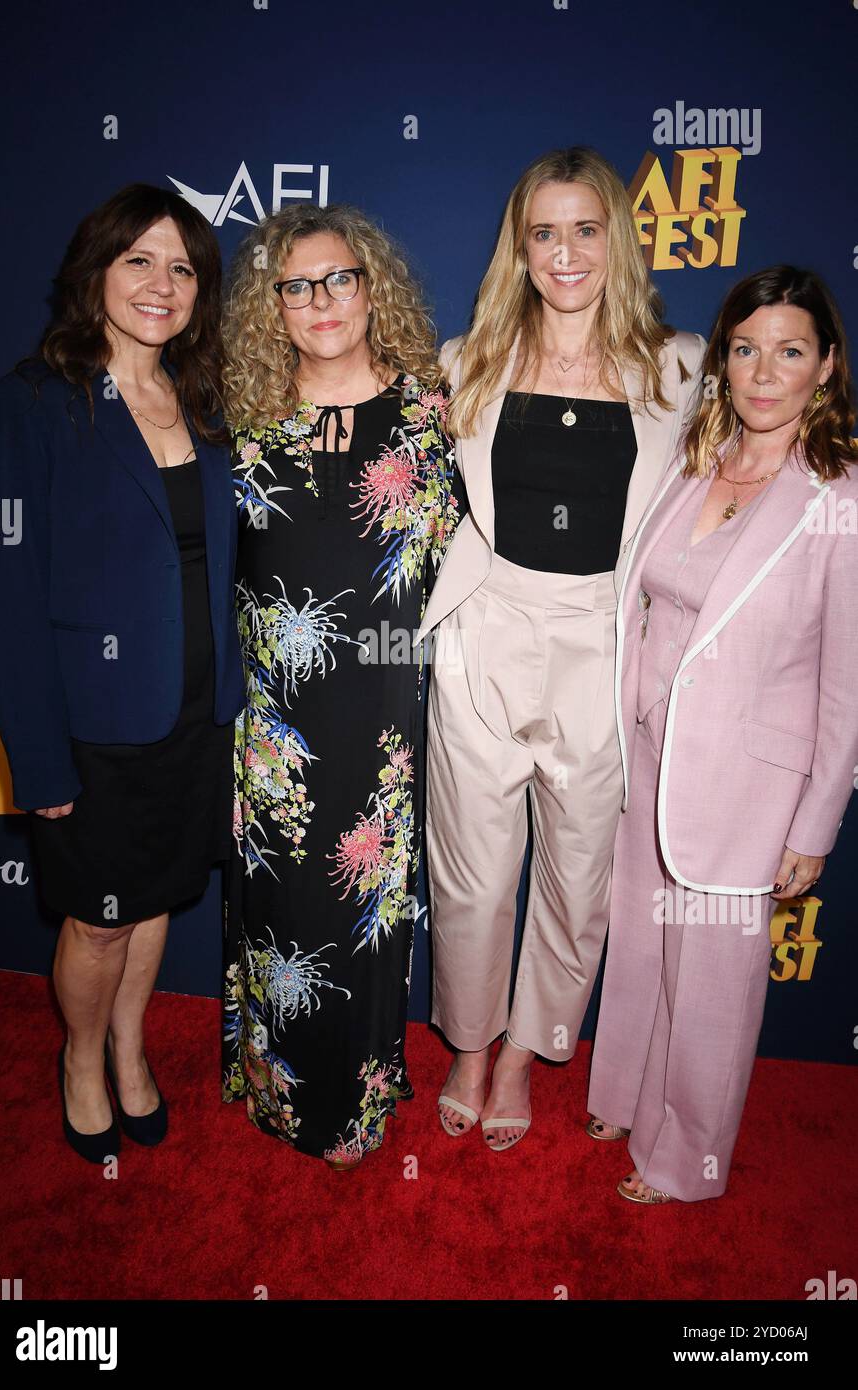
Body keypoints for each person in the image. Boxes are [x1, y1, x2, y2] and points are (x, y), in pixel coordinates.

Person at [417, 147, 706, 1150]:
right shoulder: (466, 361)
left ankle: (526, 1048)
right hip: (486, 632)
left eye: (586, 228)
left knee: (576, 875)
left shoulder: (682, 366)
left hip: (603, 641)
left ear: (615, 239)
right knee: (470, 872)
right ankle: (466, 1040)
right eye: (544, 231)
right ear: (520, 245)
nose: (565, 251)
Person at [0, 184, 244, 1163]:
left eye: (182, 268)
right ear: (97, 271)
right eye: (140, 260)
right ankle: (81, 1057)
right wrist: (32, 759)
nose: (162, 284)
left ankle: (131, 1047)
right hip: (93, 720)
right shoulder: (34, 401)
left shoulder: (203, 400)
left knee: (159, 897)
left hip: (200, 708)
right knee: (97, 918)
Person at [586, 265, 858, 1202]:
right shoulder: (692, 462)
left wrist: (812, 826)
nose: (764, 371)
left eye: (790, 351)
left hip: (748, 781)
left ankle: (685, 1157)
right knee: (643, 938)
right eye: (745, 349)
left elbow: (847, 690)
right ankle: (622, 1093)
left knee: (711, 980)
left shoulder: (838, 499)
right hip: (649, 754)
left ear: (827, 366)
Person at [221, 204, 458, 1168]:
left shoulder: (436, 406)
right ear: (270, 307)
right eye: (296, 285)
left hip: (387, 718)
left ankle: (356, 1105)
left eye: (339, 279)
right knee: (283, 919)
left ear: (372, 288)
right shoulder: (241, 424)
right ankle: (277, 1093)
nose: (320, 300)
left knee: (364, 920)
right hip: (281, 727)